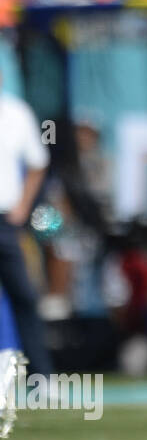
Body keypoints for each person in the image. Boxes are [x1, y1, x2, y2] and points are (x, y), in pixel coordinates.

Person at [0, 71, 51, 378]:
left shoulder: (17, 113)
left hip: (6, 222)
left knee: (24, 297)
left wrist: (22, 206)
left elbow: (38, 162)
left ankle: (41, 376)